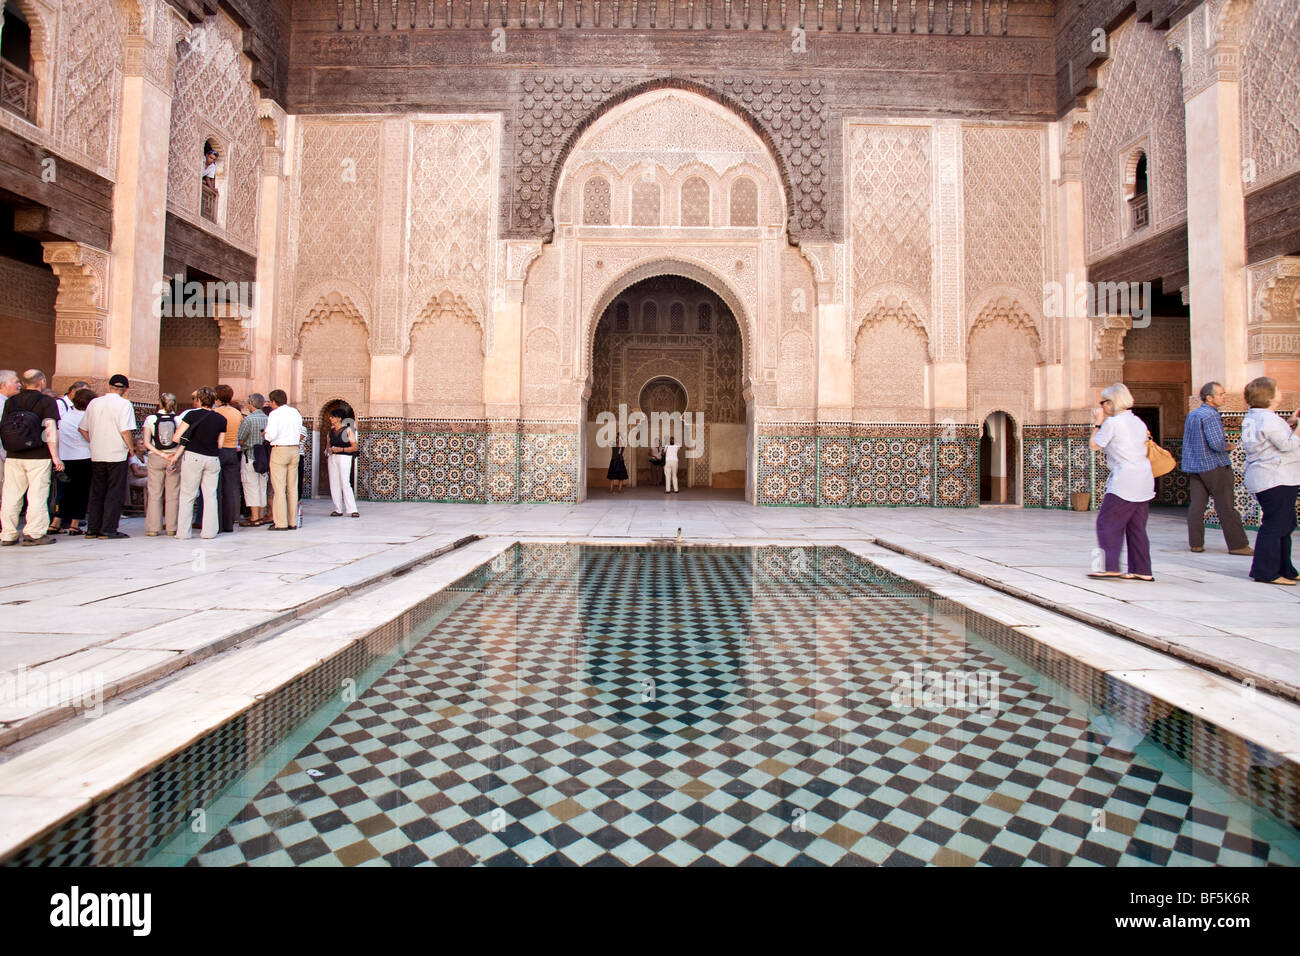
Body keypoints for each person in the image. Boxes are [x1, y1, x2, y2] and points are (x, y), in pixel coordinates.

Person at [1088, 383, 1155, 581]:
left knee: (1107, 522)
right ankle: (1142, 570)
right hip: (1144, 479)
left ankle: (1108, 567)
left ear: (1112, 402)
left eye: (1103, 402)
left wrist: (1098, 423)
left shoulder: (1113, 423)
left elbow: (1094, 445)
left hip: (1124, 480)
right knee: (1137, 527)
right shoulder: (1138, 422)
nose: (1102, 406)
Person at [1240, 377, 1300, 586]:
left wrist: (1291, 423)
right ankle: (1266, 571)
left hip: (1270, 477)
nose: (1280, 393)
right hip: (1275, 478)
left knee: (1286, 522)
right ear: (1269, 396)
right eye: (1277, 390)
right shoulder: (1268, 419)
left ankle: (1285, 568)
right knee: (1275, 524)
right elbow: (1287, 445)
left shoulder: (1256, 417)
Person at [1182, 381, 1252, 555]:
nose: (1224, 396)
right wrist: (1228, 446)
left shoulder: (1193, 414)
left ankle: (1196, 543)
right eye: (1221, 394)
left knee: (1197, 506)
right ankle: (1238, 545)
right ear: (1209, 397)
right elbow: (1216, 444)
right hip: (1214, 466)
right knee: (1226, 506)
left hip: (1195, 467)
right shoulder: (1211, 415)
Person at [0, 369, 63, 545]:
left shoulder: (11, 401)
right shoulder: (46, 402)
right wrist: (56, 457)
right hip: (39, 456)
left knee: (11, 495)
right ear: (41, 381)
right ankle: (34, 533)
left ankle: (8, 534)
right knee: (36, 495)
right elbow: (50, 430)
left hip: (13, 455)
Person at [80, 374, 136, 540]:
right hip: (117, 453)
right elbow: (125, 430)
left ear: (109, 386)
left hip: (97, 453)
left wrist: (95, 441)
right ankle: (108, 529)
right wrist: (130, 447)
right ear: (126, 389)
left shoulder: (94, 402)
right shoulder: (125, 404)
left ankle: (92, 529)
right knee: (114, 491)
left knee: (98, 491)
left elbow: (82, 428)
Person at [167, 386, 227, 540]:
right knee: (210, 495)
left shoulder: (192, 416)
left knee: (188, 494)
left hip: (193, 456)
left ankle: (183, 533)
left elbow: (176, 437)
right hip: (213, 458)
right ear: (214, 401)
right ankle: (209, 532)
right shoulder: (221, 419)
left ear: (199, 400)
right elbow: (220, 444)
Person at [54, 387, 95, 536]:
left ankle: (56, 522)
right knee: (81, 492)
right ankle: (75, 524)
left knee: (65, 492)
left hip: (65, 457)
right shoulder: (86, 418)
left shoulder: (66, 415)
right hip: (83, 457)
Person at [142, 393, 183, 536]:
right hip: (174, 458)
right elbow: (182, 441)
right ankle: (172, 527)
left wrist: (161, 454)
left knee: (154, 493)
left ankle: (153, 528)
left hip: (156, 457)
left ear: (160, 403)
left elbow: (146, 443)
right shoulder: (179, 420)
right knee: (173, 493)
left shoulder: (151, 419)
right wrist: (173, 456)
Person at [264, 389, 302, 530]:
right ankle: (293, 522)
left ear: (274, 401)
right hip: (294, 449)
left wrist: (265, 434)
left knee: (279, 488)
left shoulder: (274, 414)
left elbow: (271, 435)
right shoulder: (295, 413)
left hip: (280, 450)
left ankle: (280, 523)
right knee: (292, 487)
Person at [213, 384, 244, 533]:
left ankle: (217, 524)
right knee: (230, 489)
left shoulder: (215, 412)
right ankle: (229, 524)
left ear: (217, 397)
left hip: (218, 451)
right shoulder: (237, 414)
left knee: (216, 489)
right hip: (232, 452)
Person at [237, 392, 268, 527]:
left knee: (251, 486)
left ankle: (254, 518)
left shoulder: (248, 420)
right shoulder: (268, 419)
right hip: (265, 457)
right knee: (262, 486)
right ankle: (261, 516)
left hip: (250, 456)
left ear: (251, 404)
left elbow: (241, 439)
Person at [325, 405, 360, 517]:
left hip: (344, 457)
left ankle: (353, 509)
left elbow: (355, 447)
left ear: (339, 418)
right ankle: (338, 509)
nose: (330, 418)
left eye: (333, 417)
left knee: (345, 482)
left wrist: (341, 449)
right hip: (333, 458)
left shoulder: (347, 430)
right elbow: (328, 446)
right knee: (334, 483)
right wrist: (329, 451)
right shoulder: (330, 432)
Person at [0, 369, 21, 486]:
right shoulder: (2, 404)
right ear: (4, 385)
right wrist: (4, 454)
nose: (20, 385)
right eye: (16, 382)